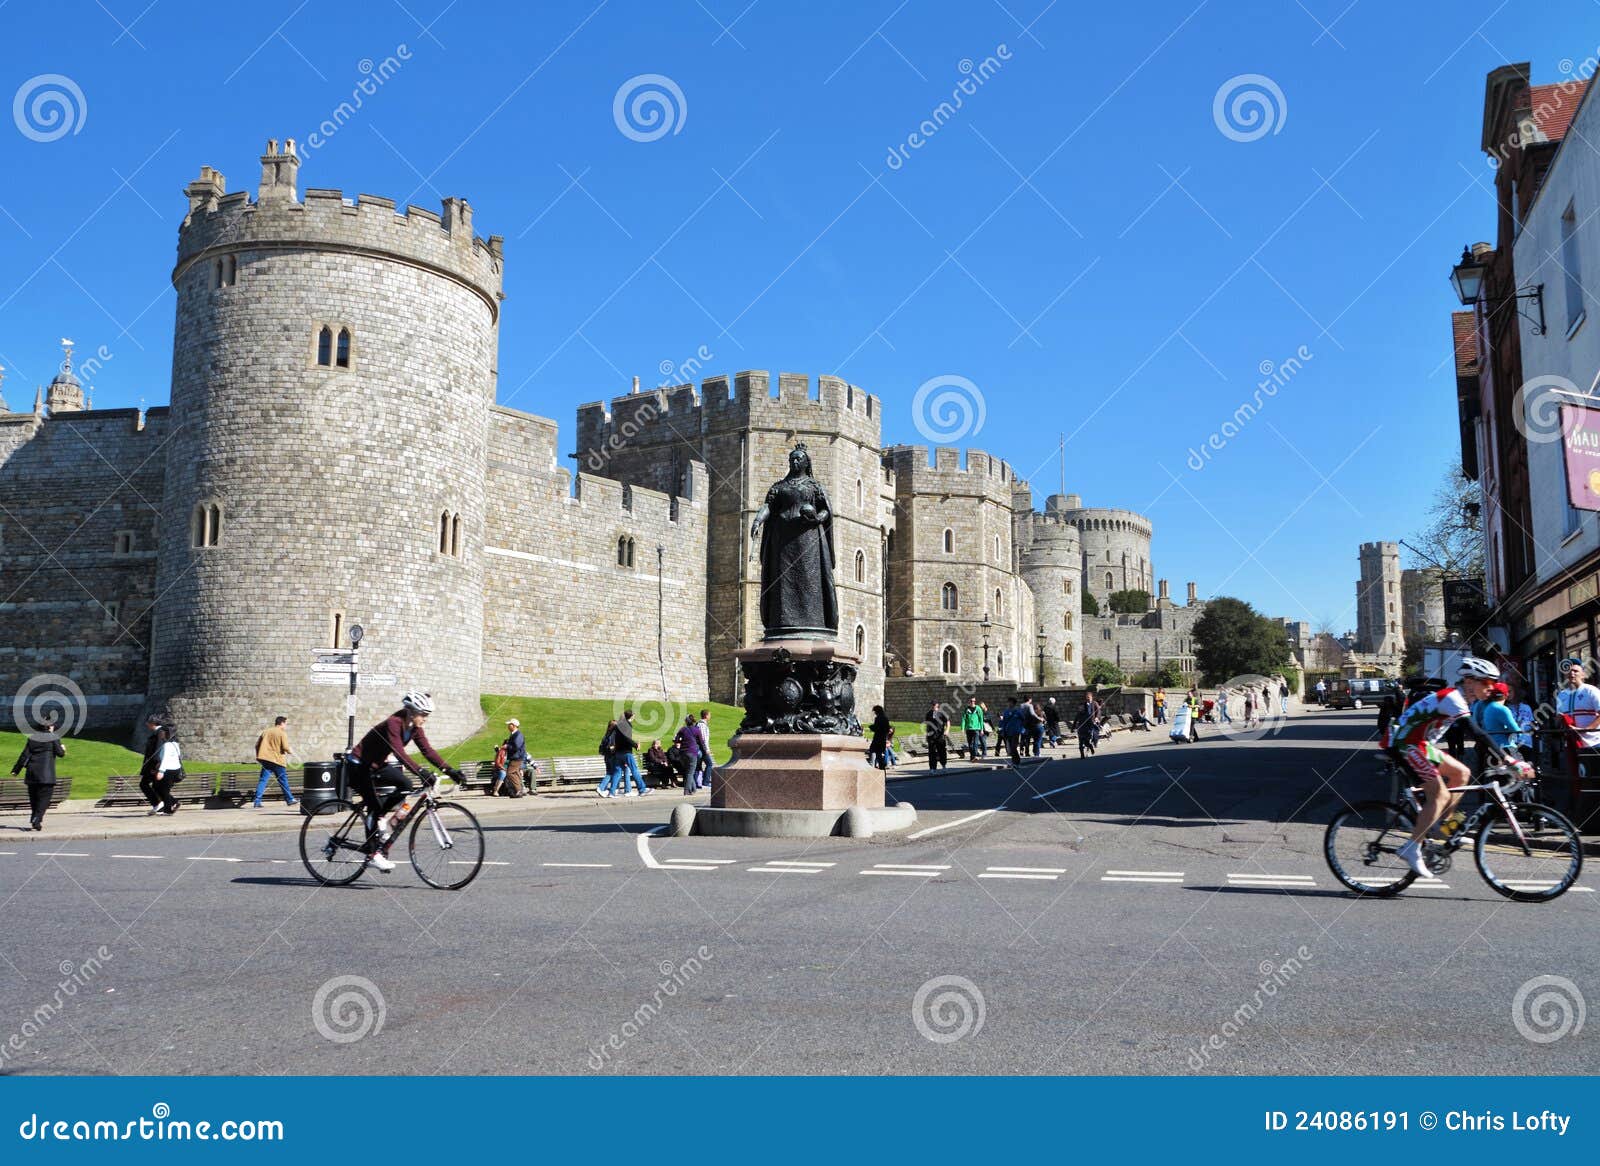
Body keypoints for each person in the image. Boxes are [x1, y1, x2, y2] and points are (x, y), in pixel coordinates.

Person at [1390, 657, 1522, 878]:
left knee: (1462, 773)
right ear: (1470, 681)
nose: (1491, 688)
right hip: (1405, 743)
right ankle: (1411, 847)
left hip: (1419, 744)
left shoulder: (1463, 699)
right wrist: (1508, 759)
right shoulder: (1453, 698)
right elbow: (1476, 732)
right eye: (1487, 683)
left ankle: (1446, 826)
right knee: (1439, 795)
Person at [346, 691, 464, 872]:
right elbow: (399, 753)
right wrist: (421, 772)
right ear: (411, 711)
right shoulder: (394, 723)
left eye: (427, 715)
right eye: (423, 715)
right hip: (358, 765)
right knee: (374, 806)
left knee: (406, 785)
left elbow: (428, 750)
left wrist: (449, 770)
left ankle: (382, 821)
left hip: (376, 765)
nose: (425, 719)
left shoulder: (415, 728)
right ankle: (373, 855)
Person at [11, 710, 65, 831]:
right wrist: (62, 747)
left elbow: (24, 755)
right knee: (44, 799)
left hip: (32, 773)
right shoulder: (53, 737)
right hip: (46, 775)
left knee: (34, 798)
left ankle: (35, 818)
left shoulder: (33, 738)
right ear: (50, 726)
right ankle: (37, 818)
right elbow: (60, 753)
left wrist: (16, 770)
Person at [138, 713, 181, 816]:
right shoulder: (163, 734)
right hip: (158, 766)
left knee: (148, 785)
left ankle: (161, 805)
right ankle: (170, 804)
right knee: (158, 788)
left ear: (152, 723)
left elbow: (159, 753)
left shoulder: (160, 734)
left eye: (148, 723)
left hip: (156, 766)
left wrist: (157, 769)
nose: (146, 724)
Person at [252, 715, 297, 809]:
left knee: (263, 780)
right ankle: (289, 799)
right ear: (282, 723)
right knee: (283, 781)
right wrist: (291, 752)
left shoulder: (266, 731)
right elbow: (285, 747)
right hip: (277, 760)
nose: (286, 726)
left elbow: (257, 745)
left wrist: (259, 756)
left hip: (265, 760)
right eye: (286, 724)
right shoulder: (282, 733)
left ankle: (257, 802)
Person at [1471, 681, 1521, 753]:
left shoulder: (1488, 707)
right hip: (1505, 746)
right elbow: (1516, 730)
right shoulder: (1502, 709)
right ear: (1506, 694)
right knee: (1524, 763)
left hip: (1491, 745)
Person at [611, 709, 647, 797]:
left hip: (618, 752)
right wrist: (636, 745)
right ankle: (642, 789)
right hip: (626, 752)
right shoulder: (627, 725)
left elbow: (618, 739)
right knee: (634, 770)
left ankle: (611, 792)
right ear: (631, 716)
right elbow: (627, 739)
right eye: (634, 715)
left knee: (617, 772)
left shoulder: (618, 726)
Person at [489, 718, 527, 797]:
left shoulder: (518, 734)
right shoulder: (514, 734)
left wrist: (507, 746)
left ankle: (519, 790)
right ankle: (520, 790)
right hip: (515, 757)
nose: (508, 726)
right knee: (515, 773)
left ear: (514, 725)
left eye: (509, 724)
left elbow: (516, 746)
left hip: (516, 757)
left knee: (509, 773)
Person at [674, 715, 705, 790]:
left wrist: (682, 741)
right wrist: (705, 751)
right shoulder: (697, 730)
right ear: (693, 721)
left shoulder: (683, 729)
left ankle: (693, 789)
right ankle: (687, 790)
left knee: (688, 772)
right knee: (690, 772)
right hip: (692, 752)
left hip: (682, 753)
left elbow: (676, 739)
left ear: (686, 722)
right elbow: (701, 742)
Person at [596, 718, 621, 798]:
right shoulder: (613, 734)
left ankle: (606, 789)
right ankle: (602, 787)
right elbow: (612, 746)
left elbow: (602, 747)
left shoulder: (606, 734)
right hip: (612, 756)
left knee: (610, 773)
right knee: (613, 773)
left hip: (607, 757)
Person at [923, 701, 950, 770]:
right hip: (931, 736)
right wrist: (927, 734)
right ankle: (932, 768)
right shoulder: (928, 714)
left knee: (942, 751)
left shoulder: (942, 713)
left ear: (937, 705)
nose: (933, 706)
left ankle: (943, 764)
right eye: (932, 704)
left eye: (935, 704)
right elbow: (927, 725)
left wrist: (947, 730)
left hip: (940, 736)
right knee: (931, 752)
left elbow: (948, 722)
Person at [1509, 683, 1535, 751]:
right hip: (1511, 743)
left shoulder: (1526, 707)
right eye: (1506, 692)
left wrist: (1532, 726)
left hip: (1526, 742)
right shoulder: (1505, 708)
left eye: (1510, 691)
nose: (1508, 694)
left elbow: (1532, 723)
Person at [694, 709, 714, 790]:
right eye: (709, 714)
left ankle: (698, 783)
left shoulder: (700, 724)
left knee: (698, 766)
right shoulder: (702, 725)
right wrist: (707, 749)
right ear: (706, 715)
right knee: (709, 764)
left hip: (701, 748)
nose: (710, 716)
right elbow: (703, 739)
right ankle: (705, 782)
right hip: (702, 749)